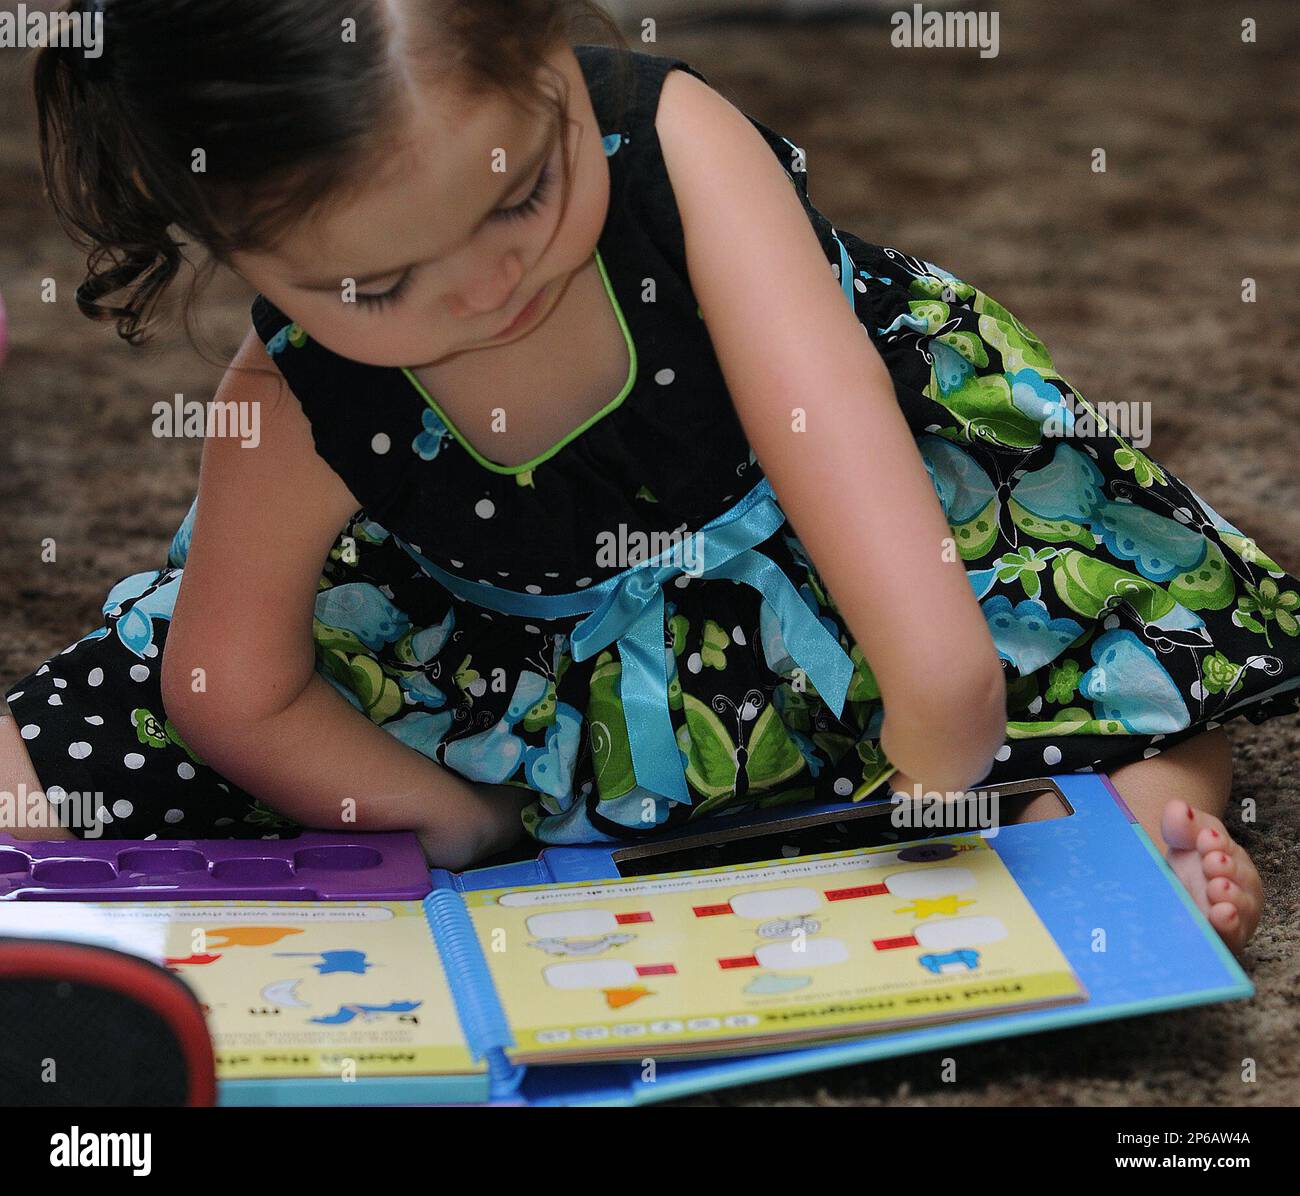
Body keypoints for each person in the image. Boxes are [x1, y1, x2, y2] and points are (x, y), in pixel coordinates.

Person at [5, 1, 1297, 951]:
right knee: (84, 740)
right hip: (524, 651)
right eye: (375, 286)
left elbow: (933, 644)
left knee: (1117, 670)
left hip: (860, 569)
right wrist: (457, 833)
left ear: (555, 48)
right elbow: (227, 687)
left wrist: (939, 767)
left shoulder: (678, 142)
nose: (486, 286)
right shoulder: (296, 393)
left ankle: (1142, 829)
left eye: (521, 194)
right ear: (221, 238)